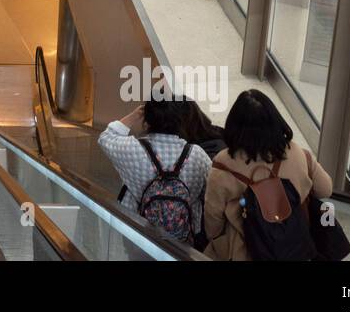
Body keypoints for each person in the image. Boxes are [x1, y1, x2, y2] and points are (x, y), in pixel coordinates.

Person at [203, 89, 332, 261]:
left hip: (244, 250)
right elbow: (325, 190)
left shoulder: (223, 164)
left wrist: (218, 241)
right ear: (275, 119)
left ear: (235, 125)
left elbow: (213, 220)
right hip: (294, 247)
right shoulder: (297, 153)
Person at [98, 95, 211, 245]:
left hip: (139, 235)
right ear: (180, 119)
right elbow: (210, 193)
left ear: (148, 119)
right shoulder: (197, 155)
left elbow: (106, 137)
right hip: (182, 241)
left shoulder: (133, 149)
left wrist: (135, 115)